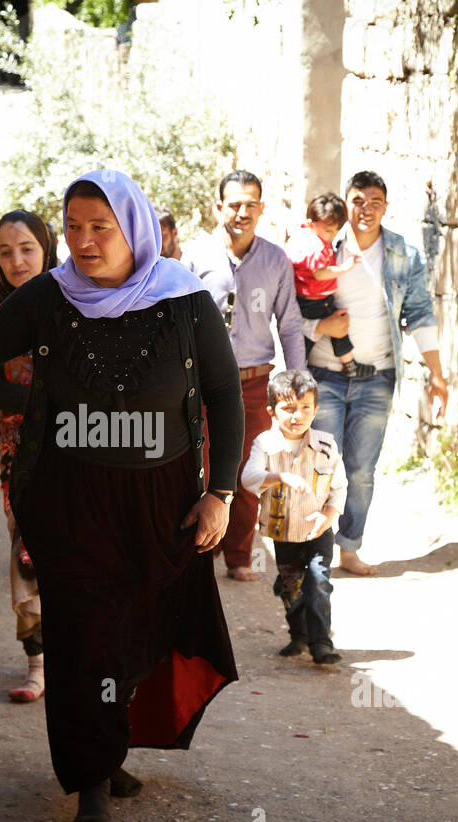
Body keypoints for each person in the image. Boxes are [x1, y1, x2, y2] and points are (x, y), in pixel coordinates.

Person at [0, 169, 244, 822]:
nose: (82, 241)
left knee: (144, 629)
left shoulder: (183, 300)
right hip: (71, 498)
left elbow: (224, 396)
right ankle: (89, 778)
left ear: (131, 229)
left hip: (161, 499)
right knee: (83, 637)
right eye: (73, 226)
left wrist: (219, 493)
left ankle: (108, 744)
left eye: (99, 227)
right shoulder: (51, 296)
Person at [305, 170, 448, 576]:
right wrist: (319, 329)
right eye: (358, 201)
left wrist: (437, 375)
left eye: (375, 202)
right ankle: (316, 553)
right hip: (326, 375)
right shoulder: (323, 248)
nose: (365, 210)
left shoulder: (403, 254)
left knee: (362, 472)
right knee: (320, 466)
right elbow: (295, 306)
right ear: (346, 202)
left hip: (377, 378)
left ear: (386, 207)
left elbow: (420, 315)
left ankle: (349, 548)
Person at [191, 170, 307, 583]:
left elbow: (290, 324)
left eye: (250, 204)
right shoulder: (195, 257)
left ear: (261, 209)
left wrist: (297, 384)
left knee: (246, 472)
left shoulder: (276, 260)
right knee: (199, 472)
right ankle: (198, 554)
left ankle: (239, 556)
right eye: (234, 203)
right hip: (202, 385)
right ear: (218, 206)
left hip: (256, 384)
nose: (242, 212)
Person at [0, 212, 58, 702]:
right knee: (26, 551)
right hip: (20, 455)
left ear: (45, 247)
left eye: (26, 248)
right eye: (6, 252)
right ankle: (38, 666)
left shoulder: (74, 301)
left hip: (77, 448)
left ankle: (77, 660)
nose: (17, 260)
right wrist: (54, 398)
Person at [241, 370, 346, 665]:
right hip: (283, 531)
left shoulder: (326, 445)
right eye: (288, 408)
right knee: (291, 586)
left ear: (316, 410)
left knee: (319, 581)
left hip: (318, 531)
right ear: (272, 411)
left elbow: (340, 486)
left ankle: (321, 643)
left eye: (305, 408)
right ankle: (297, 636)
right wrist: (278, 476)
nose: (297, 415)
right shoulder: (264, 444)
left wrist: (328, 515)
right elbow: (248, 479)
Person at [287, 193, 371, 378]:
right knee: (308, 341)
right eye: (328, 230)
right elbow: (319, 273)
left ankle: (348, 365)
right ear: (311, 223)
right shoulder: (315, 246)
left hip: (318, 298)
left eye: (335, 230)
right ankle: (297, 374)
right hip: (314, 302)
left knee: (338, 328)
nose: (332, 235)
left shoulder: (309, 236)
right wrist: (343, 268)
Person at [154, 205, 195, 273]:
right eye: (153, 237)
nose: (156, 242)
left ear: (175, 233)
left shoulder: (196, 271)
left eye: (160, 235)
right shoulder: (153, 276)